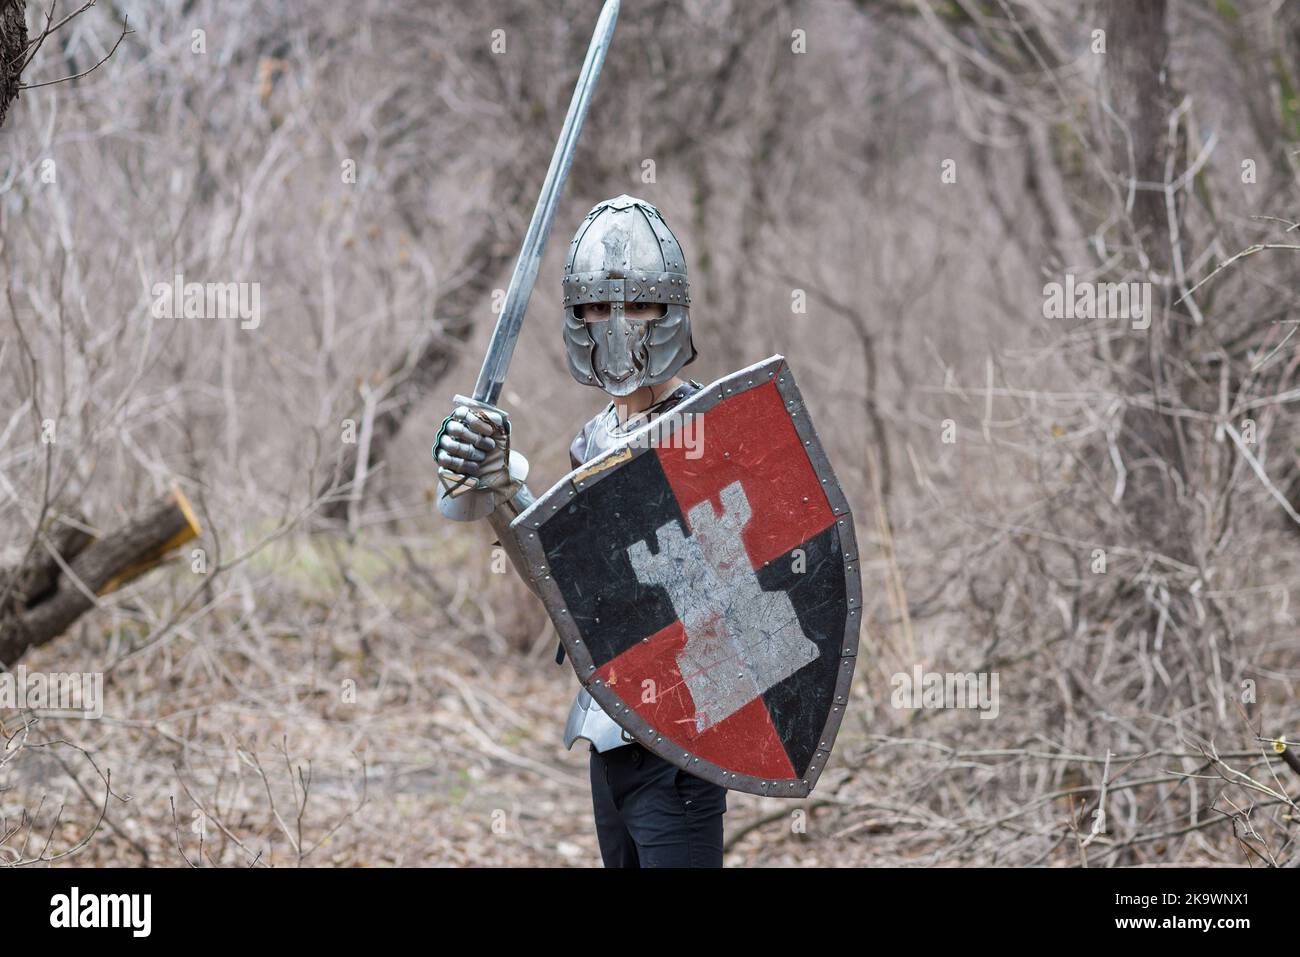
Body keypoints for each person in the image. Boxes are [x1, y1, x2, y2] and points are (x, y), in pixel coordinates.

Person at [433, 195, 728, 868]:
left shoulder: (706, 431)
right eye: (596, 307)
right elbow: (571, 590)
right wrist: (504, 491)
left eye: (638, 306)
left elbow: (640, 581)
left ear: (671, 312)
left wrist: (521, 492)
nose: (616, 325)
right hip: (608, 728)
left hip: (683, 732)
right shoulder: (593, 438)